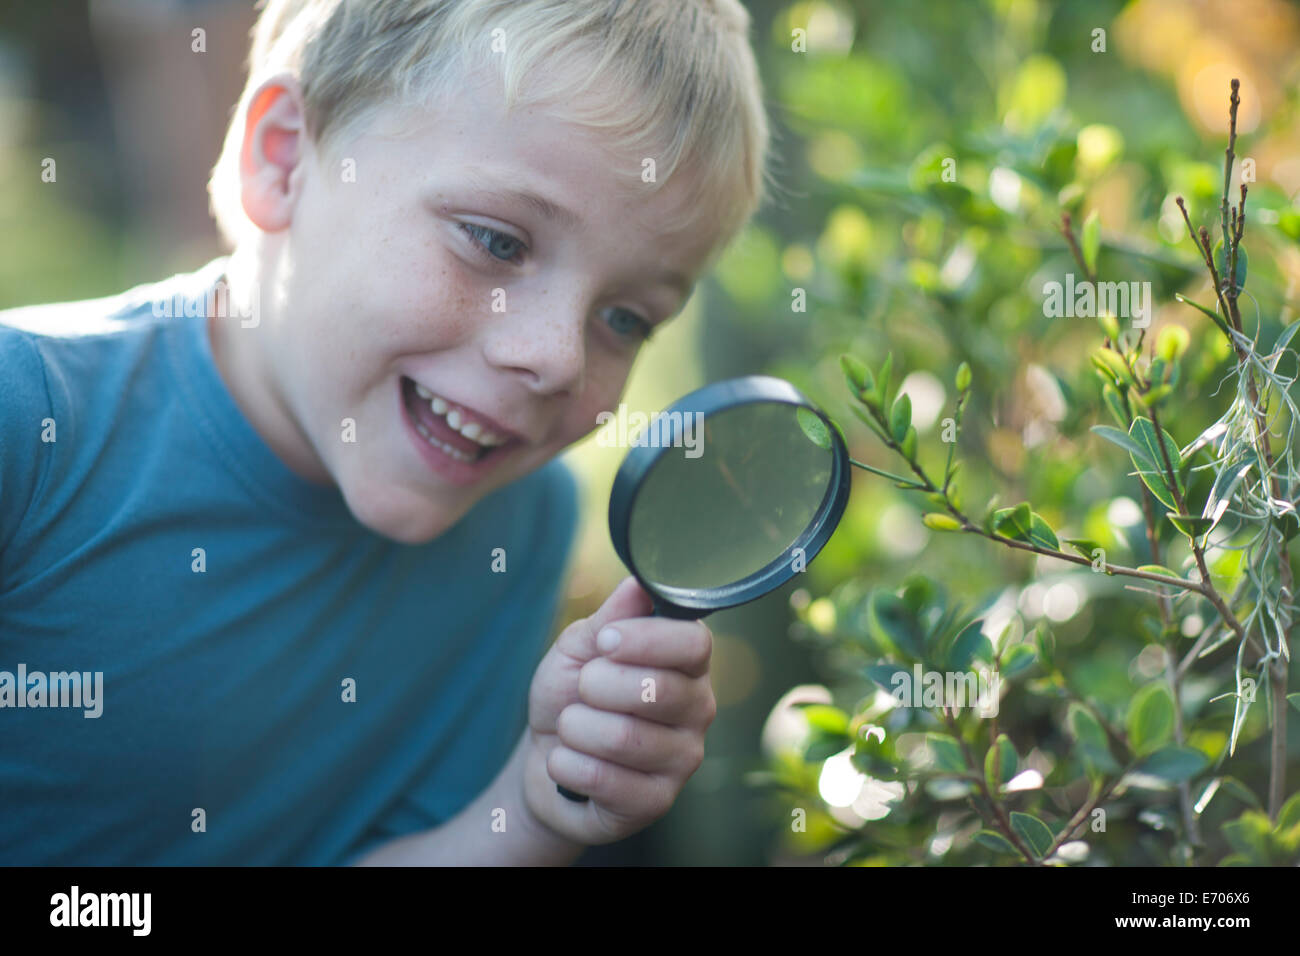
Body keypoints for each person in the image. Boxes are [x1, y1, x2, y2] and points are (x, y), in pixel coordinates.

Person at [0, 0, 771, 865]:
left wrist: (534, 811)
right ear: (284, 157)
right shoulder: (27, 421)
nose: (556, 359)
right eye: (495, 242)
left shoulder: (521, 524)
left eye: (626, 319)